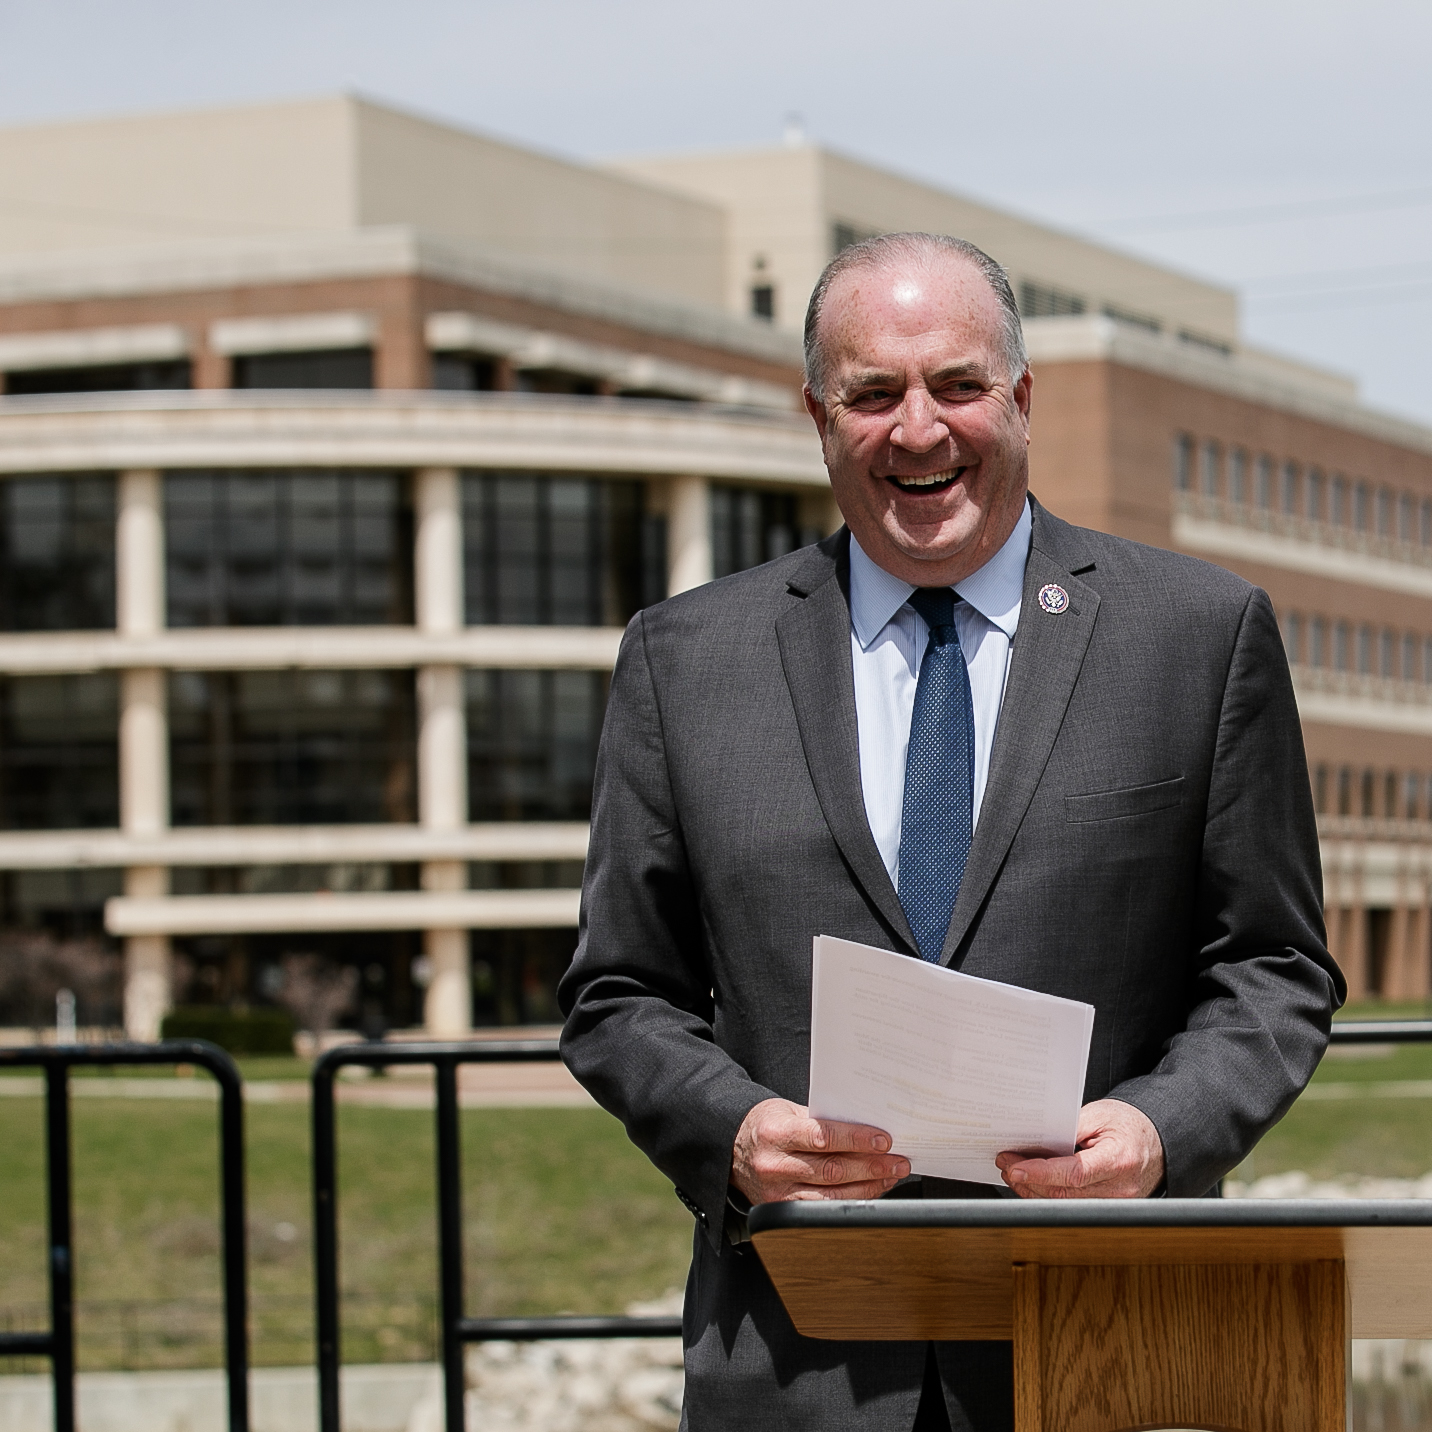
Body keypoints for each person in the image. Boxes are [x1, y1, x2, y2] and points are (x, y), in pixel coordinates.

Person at [559, 232, 1342, 1432]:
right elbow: (619, 992)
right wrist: (733, 1132)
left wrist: (1154, 1134)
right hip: (797, 1356)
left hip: (1110, 1347)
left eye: (957, 385)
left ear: (1021, 398)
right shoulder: (684, 661)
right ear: (819, 417)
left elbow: (1273, 970)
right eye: (872, 393)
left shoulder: (1200, 636)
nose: (916, 430)